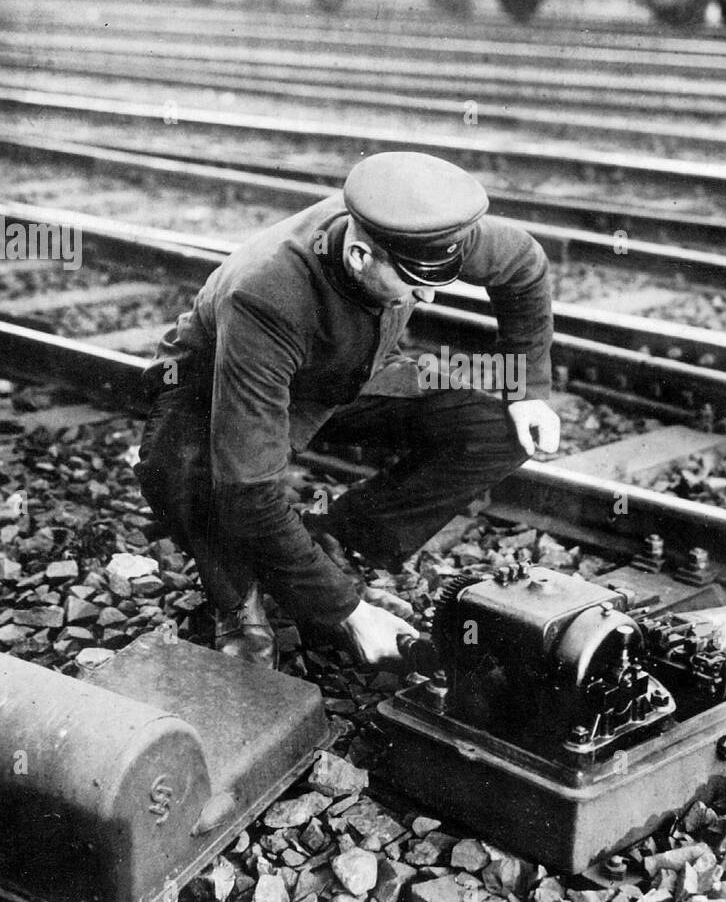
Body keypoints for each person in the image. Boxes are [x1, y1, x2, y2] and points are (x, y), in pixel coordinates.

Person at [136, 151, 559, 669]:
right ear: (360, 257)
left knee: (497, 432)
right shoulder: (265, 292)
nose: (426, 297)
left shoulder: (423, 233)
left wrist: (530, 389)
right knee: (187, 471)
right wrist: (350, 612)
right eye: (413, 283)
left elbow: (524, 267)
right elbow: (249, 490)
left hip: (350, 372)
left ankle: (336, 539)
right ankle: (237, 602)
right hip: (219, 382)